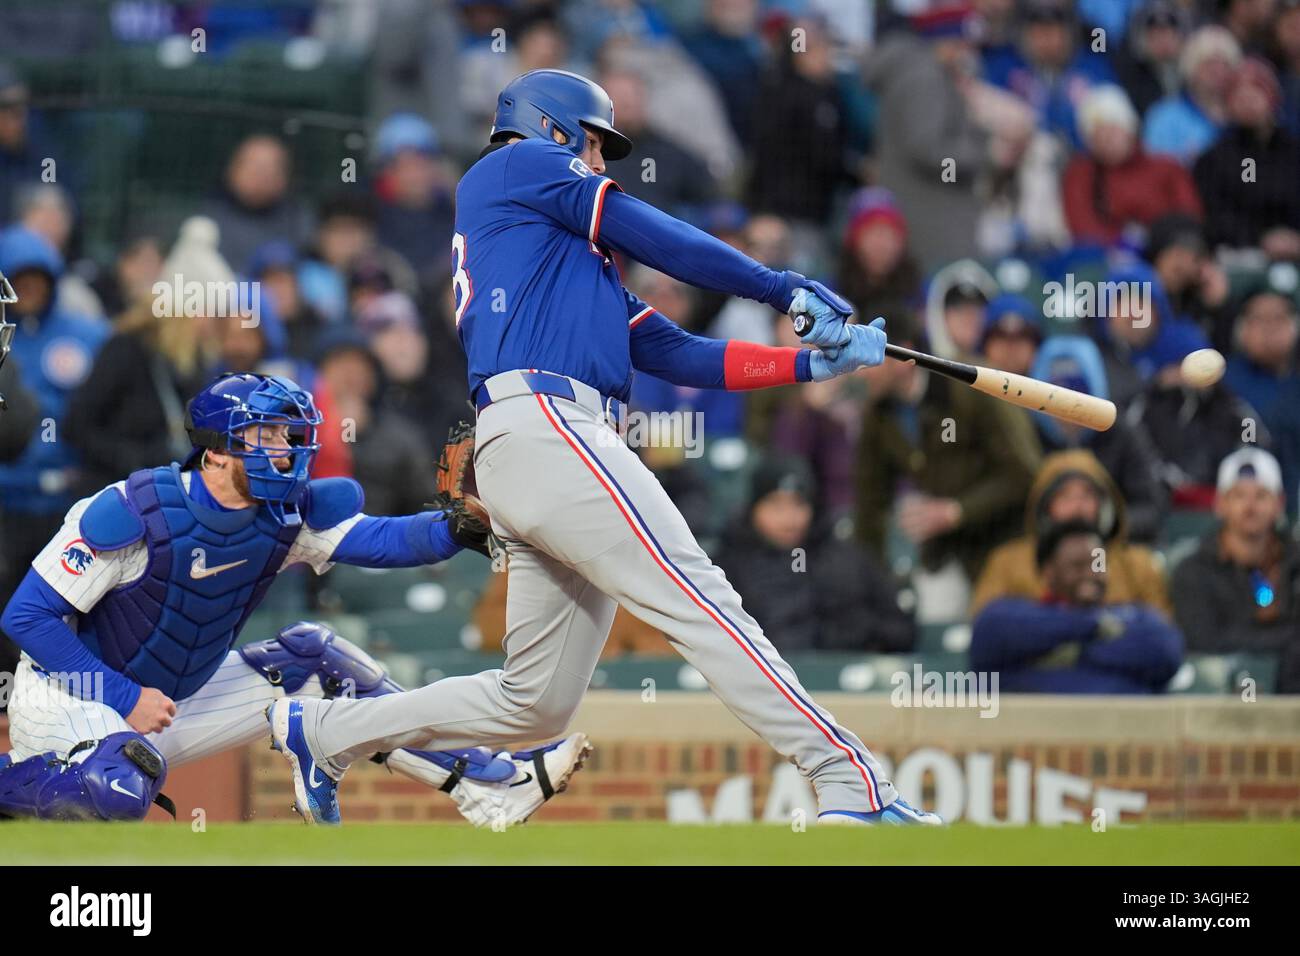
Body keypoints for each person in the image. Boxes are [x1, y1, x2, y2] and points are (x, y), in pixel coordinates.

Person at [267, 69, 940, 826]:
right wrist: (781, 286)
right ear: (551, 127)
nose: (600, 161)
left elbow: (681, 353)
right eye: (592, 142)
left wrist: (809, 363)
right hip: (550, 423)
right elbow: (651, 230)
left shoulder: (556, 259)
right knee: (702, 600)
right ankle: (847, 778)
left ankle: (325, 731)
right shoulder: (513, 165)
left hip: (539, 439)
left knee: (531, 705)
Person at [0, 373, 587, 826]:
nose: (284, 449)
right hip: (67, 698)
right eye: (266, 435)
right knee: (117, 788)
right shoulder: (134, 511)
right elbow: (26, 616)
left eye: (288, 435)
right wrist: (123, 697)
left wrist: (457, 528)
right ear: (217, 452)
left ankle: (493, 786)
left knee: (315, 659)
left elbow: (380, 539)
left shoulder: (283, 517)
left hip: (167, 704)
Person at [715, 457, 915, 654]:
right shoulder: (726, 567)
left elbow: (901, 631)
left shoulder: (850, 560)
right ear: (754, 509)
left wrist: (855, 634)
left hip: (844, 681)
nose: (788, 518)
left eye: (798, 504)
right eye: (775, 504)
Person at [970, 520, 1183, 693]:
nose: (1091, 573)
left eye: (1098, 563)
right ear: (1048, 573)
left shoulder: (1136, 618)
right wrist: (1095, 629)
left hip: (1122, 739)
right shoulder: (1014, 617)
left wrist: (1069, 652)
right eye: (1077, 565)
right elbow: (987, 634)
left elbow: (1166, 649)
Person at [971, 449, 1172, 616]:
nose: (1078, 507)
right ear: (1044, 508)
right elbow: (986, 628)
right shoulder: (1008, 563)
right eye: (1064, 496)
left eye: (1087, 495)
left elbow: (1161, 634)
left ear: (1105, 506)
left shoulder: (1137, 565)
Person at [1171, 447, 1300, 692]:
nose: (1250, 506)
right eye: (1238, 495)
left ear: (1279, 504)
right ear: (1220, 504)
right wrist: (1287, 637)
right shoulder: (1192, 570)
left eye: (1261, 495)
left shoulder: (1295, 563)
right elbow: (1204, 640)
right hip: (1219, 699)